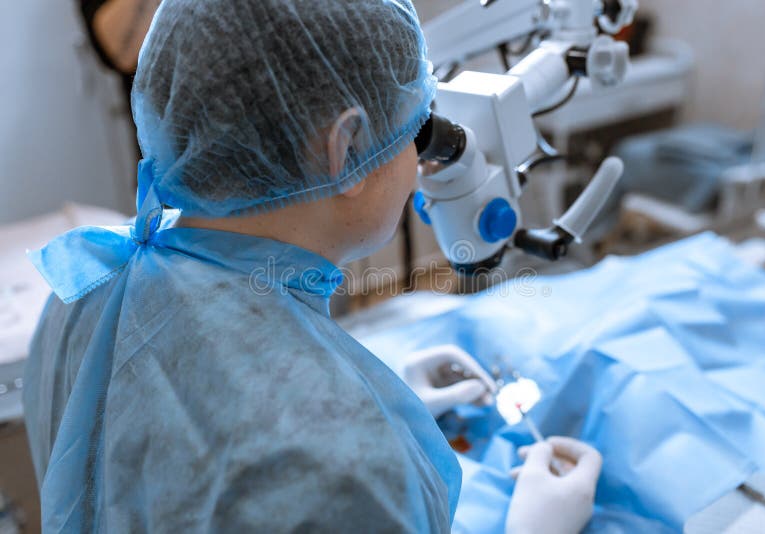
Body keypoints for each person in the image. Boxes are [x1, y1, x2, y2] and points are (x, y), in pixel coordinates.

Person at [24, 0, 602, 531]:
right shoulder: (349, 472)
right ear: (347, 150)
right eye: (416, 120)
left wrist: (373, 407)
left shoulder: (84, 286)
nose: (419, 157)